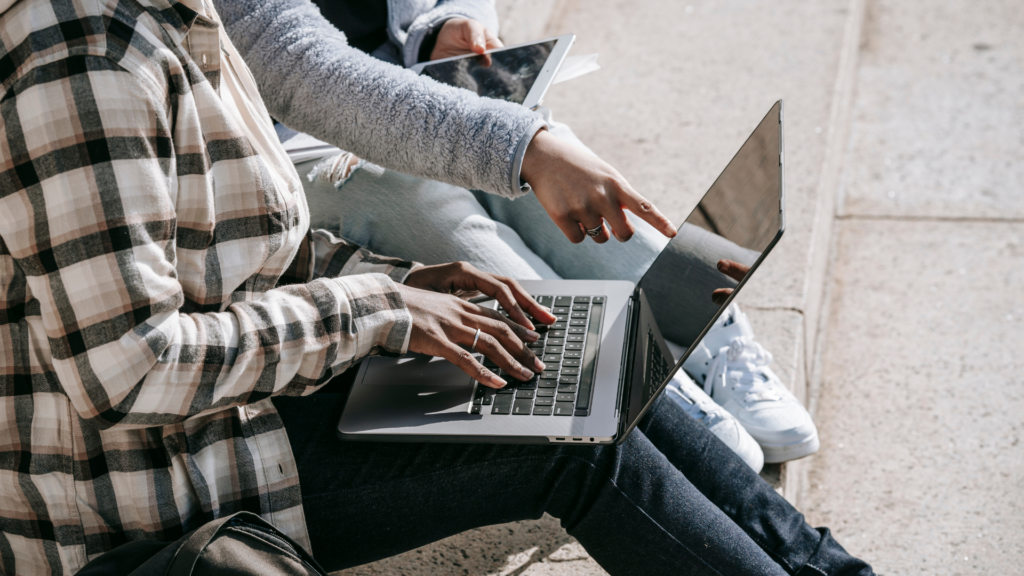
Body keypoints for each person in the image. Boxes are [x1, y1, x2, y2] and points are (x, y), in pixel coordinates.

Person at [0, 1, 871, 575]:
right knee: (579, 444)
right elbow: (128, 370)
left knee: (589, 355)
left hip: (247, 404)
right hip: (159, 478)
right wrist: (380, 310)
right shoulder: (86, 64)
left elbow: (240, 256)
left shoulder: (178, 14)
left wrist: (401, 285)